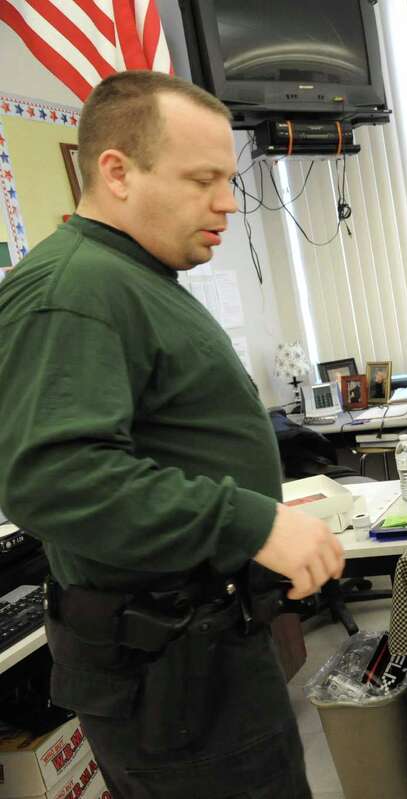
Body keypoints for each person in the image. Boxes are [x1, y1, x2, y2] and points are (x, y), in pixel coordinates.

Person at [0, 72, 344, 797]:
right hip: (170, 672)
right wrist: (249, 519)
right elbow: (54, 476)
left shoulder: (133, 275)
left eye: (228, 178)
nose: (226, 201)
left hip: (207, 649)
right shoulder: (78, 288)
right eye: (202, 179)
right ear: (117, 172)